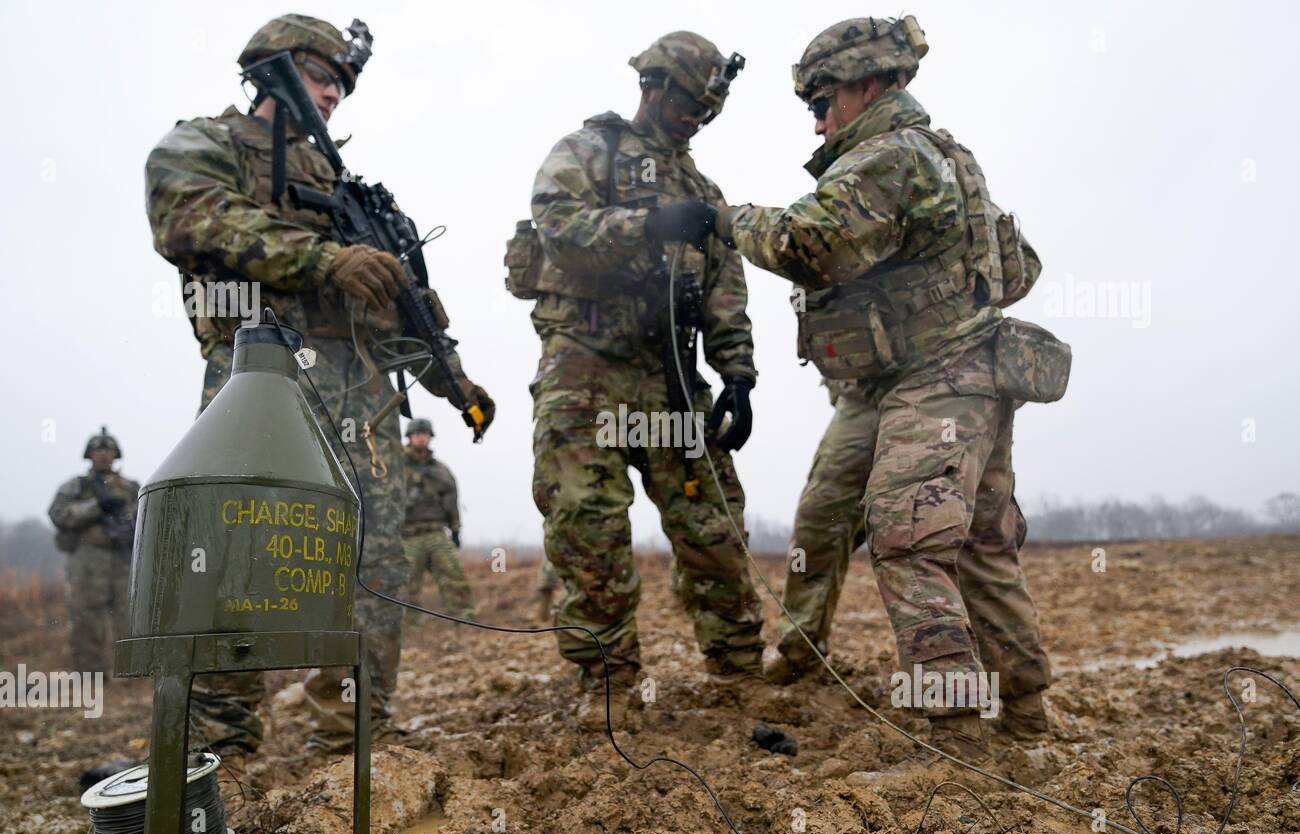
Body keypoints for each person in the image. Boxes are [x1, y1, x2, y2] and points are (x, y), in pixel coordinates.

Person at [144, 15, 494, 755]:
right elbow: (189, 216)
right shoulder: (206, 144)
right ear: (272, 70)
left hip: (363, 399)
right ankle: (221, 745)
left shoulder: (349, 192)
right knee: (236, 556)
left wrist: (455, 381)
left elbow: (406, 310)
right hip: (260, 380)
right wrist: (319, 259)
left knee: (377, 563)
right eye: (320, 77)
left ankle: (351, 737)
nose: (333, 95)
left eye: (341, 84)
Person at [713, 17, 1062, 759]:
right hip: (904, 381)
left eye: (823, 99)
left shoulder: (890, 156)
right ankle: (1015, 712)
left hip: (940, 377)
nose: (817, 117)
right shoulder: (941, 156)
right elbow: (1017, 268)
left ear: (868, 85)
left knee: (911, 541)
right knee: (873, 520)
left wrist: (720, 219)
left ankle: (961, 738)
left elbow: (806, 242)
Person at [513, 31, 764, 727]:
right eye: (689, 103)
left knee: (713, 527)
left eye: (709, 111)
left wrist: (737, 373)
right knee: (587, 529)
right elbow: (560, 227)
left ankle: (740, 672)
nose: (696, 119)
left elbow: (724, 287)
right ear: (654, 87)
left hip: (673, 375)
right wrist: (649, 226)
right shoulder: (587, 152)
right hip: (584, 371)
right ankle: (608, 687)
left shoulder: (701, 189)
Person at [48, 428, 138, 674]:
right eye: (98, 450)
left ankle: (133, 672)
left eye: (107, 450)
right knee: (86, 617)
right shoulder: (76, 487)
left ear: (116, 454)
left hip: (123, 557)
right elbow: (58, 514)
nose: (103, 455)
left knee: (130, 615)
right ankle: (91, 674)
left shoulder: (130, 488)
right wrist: (96, 507)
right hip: (88, 558)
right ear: (89, 455)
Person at [401, 418, 475, 619]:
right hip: (406, 535)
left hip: (436, 533)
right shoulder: (395, 465)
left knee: (454, 575)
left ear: (430, 437)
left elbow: (451, 499)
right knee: (405, 584)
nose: (421, 438)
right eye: (417, 434)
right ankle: (410, 628)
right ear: (409, 437)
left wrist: (456, 529)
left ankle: (465, 620)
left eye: (425, 434)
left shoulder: (440, 470)